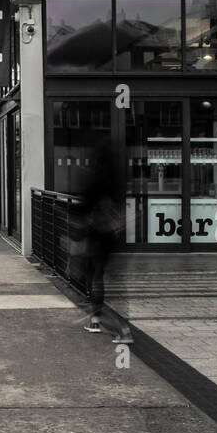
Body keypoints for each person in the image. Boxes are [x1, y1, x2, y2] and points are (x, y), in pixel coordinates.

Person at [76, 143, 131, 341]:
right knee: (105, 277)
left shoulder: (95, 178)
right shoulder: (117, 179)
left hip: (97, 234)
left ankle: (120, 328)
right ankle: (97, 320)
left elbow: (84, 206)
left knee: (95, 277)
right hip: (113, 234)